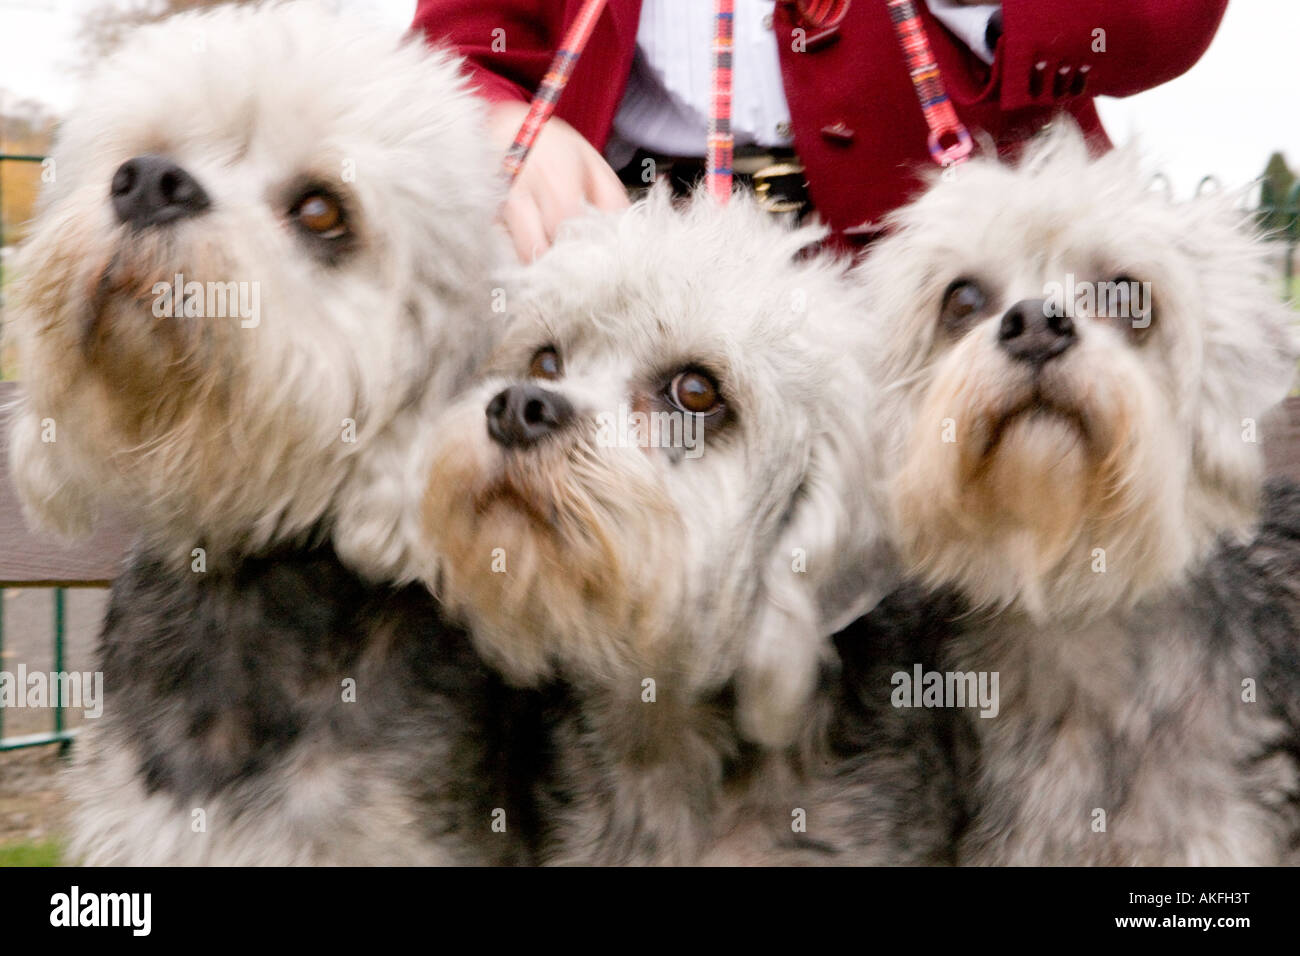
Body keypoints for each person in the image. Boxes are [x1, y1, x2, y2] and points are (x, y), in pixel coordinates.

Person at [413, 0, 1228, 260]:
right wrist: (502, 122)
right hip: (631, 259)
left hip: (953, 291)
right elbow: (465, 48)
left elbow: (1159, 19)